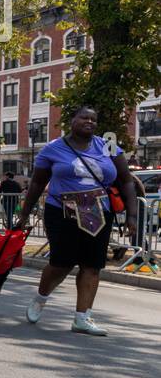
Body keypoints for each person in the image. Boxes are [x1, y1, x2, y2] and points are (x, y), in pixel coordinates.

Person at [16, 105, 138, 335]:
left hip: (97, 212)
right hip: (62, 210)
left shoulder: (108, 146)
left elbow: (126, 180)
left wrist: (131, 215)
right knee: (61, 262)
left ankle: (83, 318)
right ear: (71, 120)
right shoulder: (53, 148)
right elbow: (37, 183)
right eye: (84, 117)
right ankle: (41, 298)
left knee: (92, 265)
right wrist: (24, 214)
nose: (89, 122)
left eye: (93, 119)